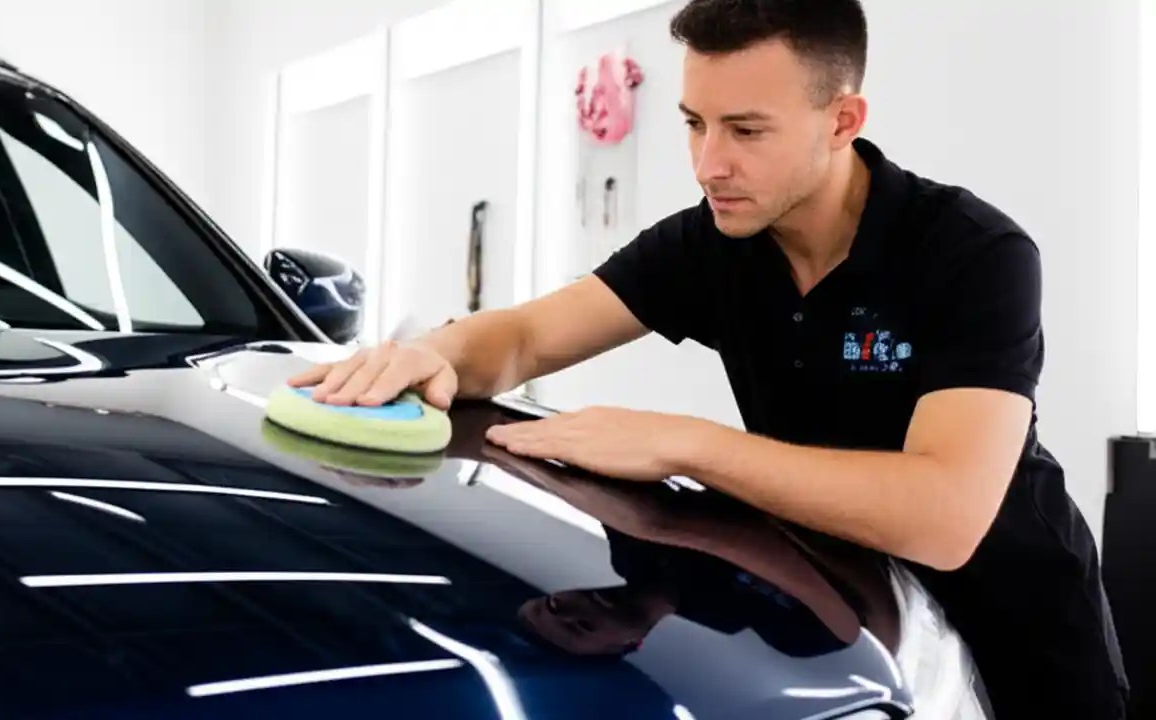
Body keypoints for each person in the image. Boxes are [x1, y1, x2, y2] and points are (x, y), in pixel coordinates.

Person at [288, 0, 1128, 715]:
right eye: (694, 123)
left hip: (1017, 629)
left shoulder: (972, 251)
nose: (706, 164)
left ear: (843, 120)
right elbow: (528, 336)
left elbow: (943, 518)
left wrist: (688, 445)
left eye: (745, 130)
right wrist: (433, 355)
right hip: (833, 607)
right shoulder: (715, 242)